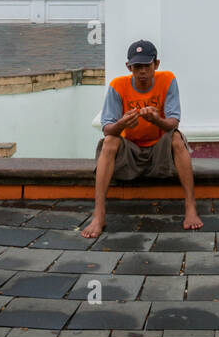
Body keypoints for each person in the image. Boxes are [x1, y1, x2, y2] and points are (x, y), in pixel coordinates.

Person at [82, 40, 200, 237]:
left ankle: (191, 206)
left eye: (147, 65)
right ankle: (99, 214)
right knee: (110, 141)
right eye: (137, 67)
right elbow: (107, 128)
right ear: (129, 67)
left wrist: (157, 120)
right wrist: (122, 124)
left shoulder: (168, 80)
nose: (142, 71)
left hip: (159, 152)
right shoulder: (117, 86)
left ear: (156, 64)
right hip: (131, 153)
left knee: (177, 138)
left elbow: (173, 123)